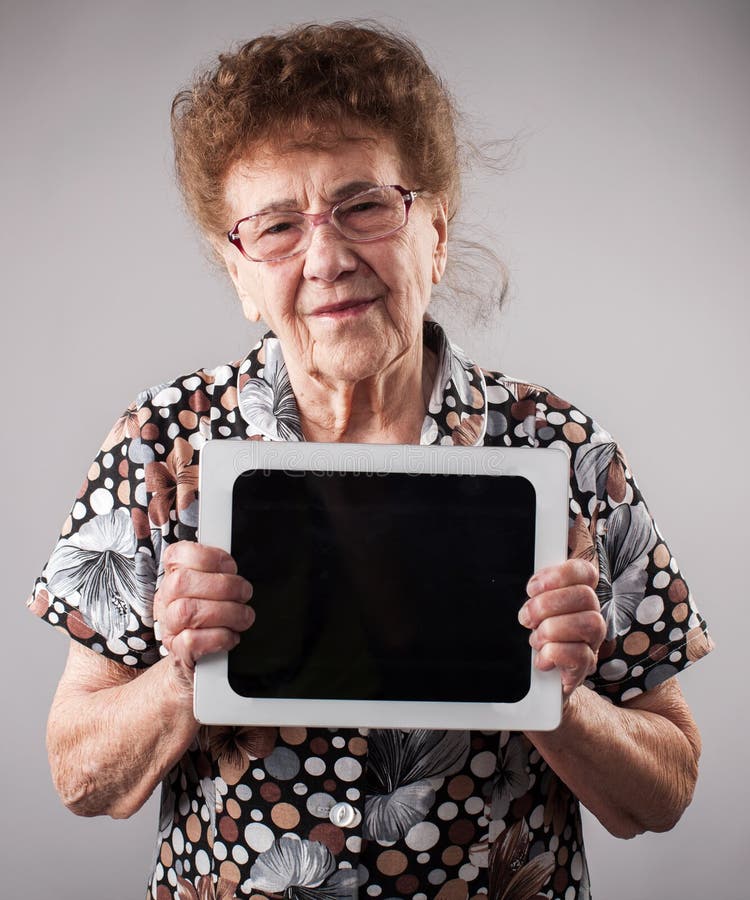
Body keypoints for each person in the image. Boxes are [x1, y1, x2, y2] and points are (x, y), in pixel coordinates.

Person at [29, 22, 713, 900]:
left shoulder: (564, 451)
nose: (326, 258)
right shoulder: (163, 443)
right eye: (276, 226)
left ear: (433, 227)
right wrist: (180, 677)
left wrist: (559, 699)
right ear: (238, 273)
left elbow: (662, 792)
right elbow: (80, 775)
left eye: (364, 206)